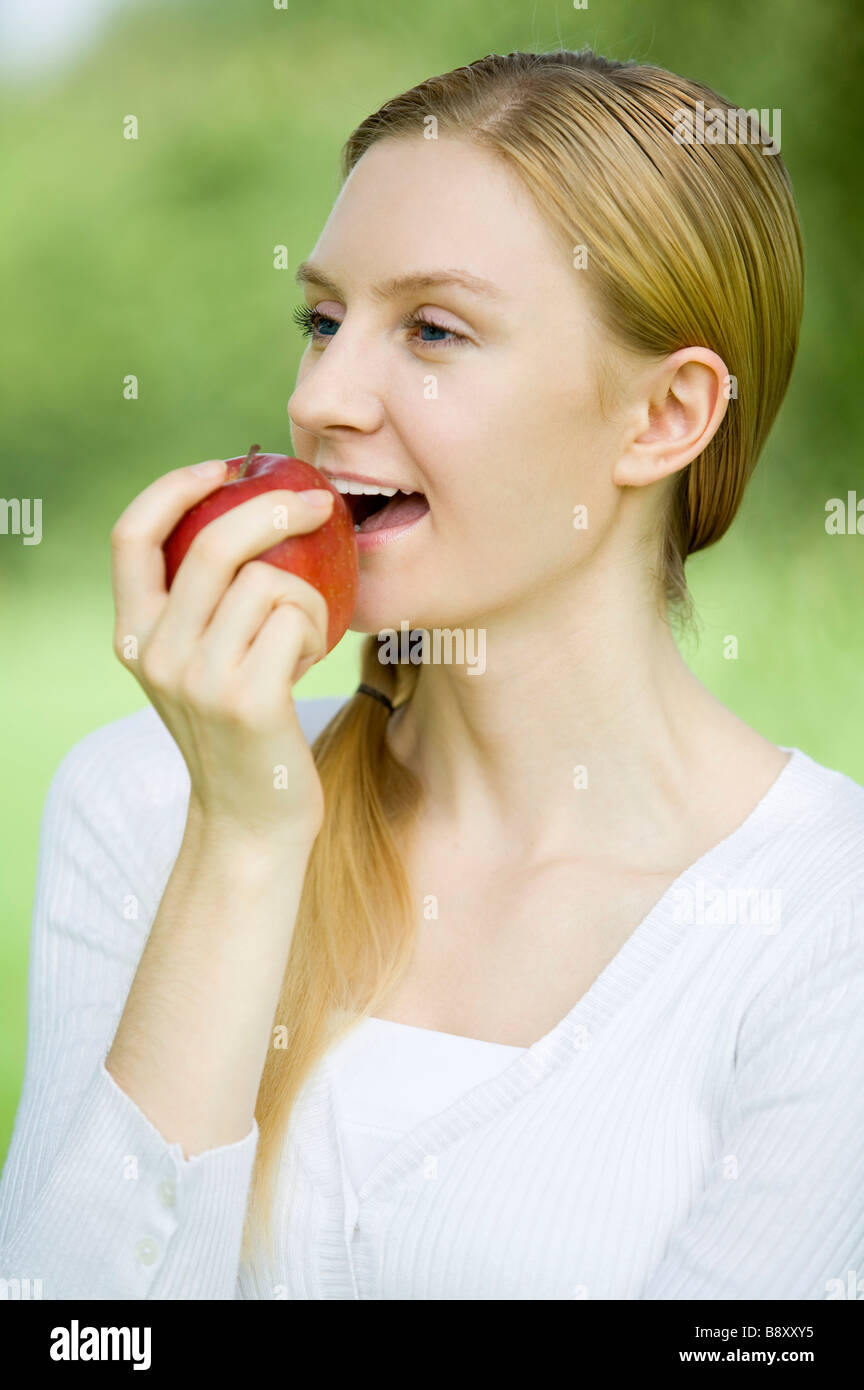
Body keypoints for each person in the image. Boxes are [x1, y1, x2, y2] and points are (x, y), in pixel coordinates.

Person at [1, 48, 863, 1302]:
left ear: (665, 417)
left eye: (436, 330)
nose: (322, 397)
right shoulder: (147, 805)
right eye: (323, 320)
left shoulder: (825, 920)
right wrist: (241, 847)